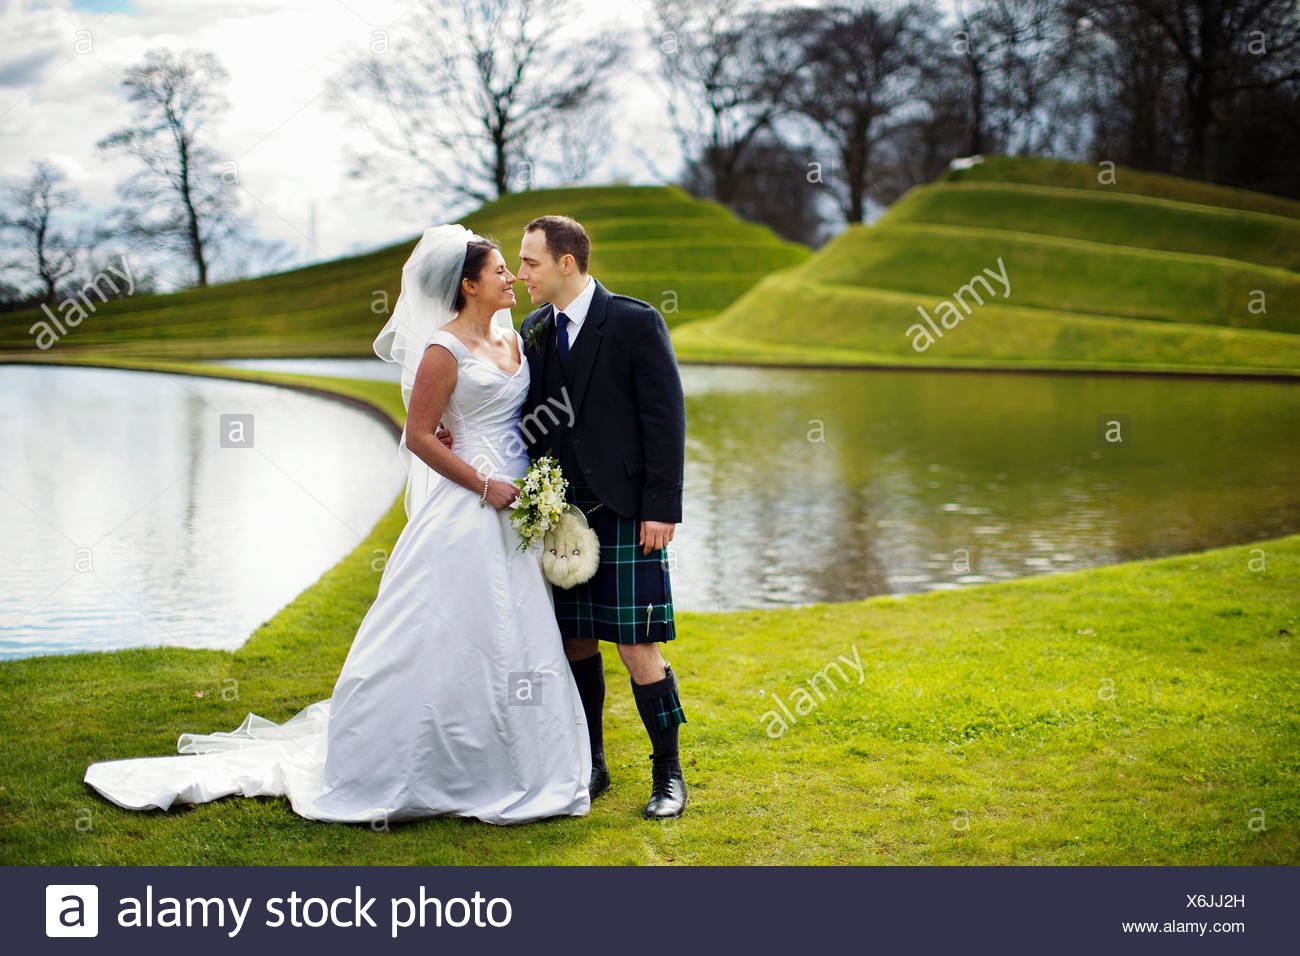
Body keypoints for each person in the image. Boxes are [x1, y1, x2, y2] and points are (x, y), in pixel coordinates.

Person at [82, 225, 592, 826]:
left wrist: (532, 486)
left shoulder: (515, 338)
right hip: (470, 506)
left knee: (520, 633)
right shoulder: (441, 350)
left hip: (519, 504)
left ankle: (520, 762)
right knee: (447, 630)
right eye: (501, 270)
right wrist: (484, 484)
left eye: (515, 268)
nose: (512, 277)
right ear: (468, 283)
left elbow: (521, 411)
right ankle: (428, 762)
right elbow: (419, 435)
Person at [438, 215, 689, 819]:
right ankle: (593, 764)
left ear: (566, 264)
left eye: (529, 263)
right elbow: (525, 416)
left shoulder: (633, 321)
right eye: (517, 264)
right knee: (574, 642)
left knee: (638, 646)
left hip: (628, 514)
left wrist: (661, 507)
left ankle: (668, 774)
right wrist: (460, 438)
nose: (520, 274)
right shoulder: (535, 329)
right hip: (560, 516)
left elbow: (666, 419)